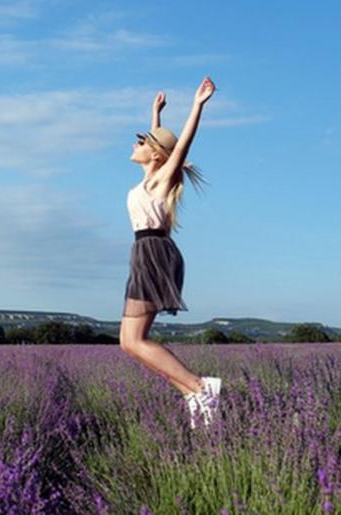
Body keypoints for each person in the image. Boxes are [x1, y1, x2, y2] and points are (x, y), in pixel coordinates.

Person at [119, 76, 221, 429]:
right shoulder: (150, 178)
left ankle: (199, 387)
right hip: (145, 252)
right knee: (130, 343)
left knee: (133, 340)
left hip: (154, 253)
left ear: (156, 154)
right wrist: (155, 116)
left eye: (141, 142)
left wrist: (197, 105)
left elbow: (179, 148)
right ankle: (193, 393)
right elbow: (160, 148)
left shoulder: (162, 180)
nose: (135, 144)